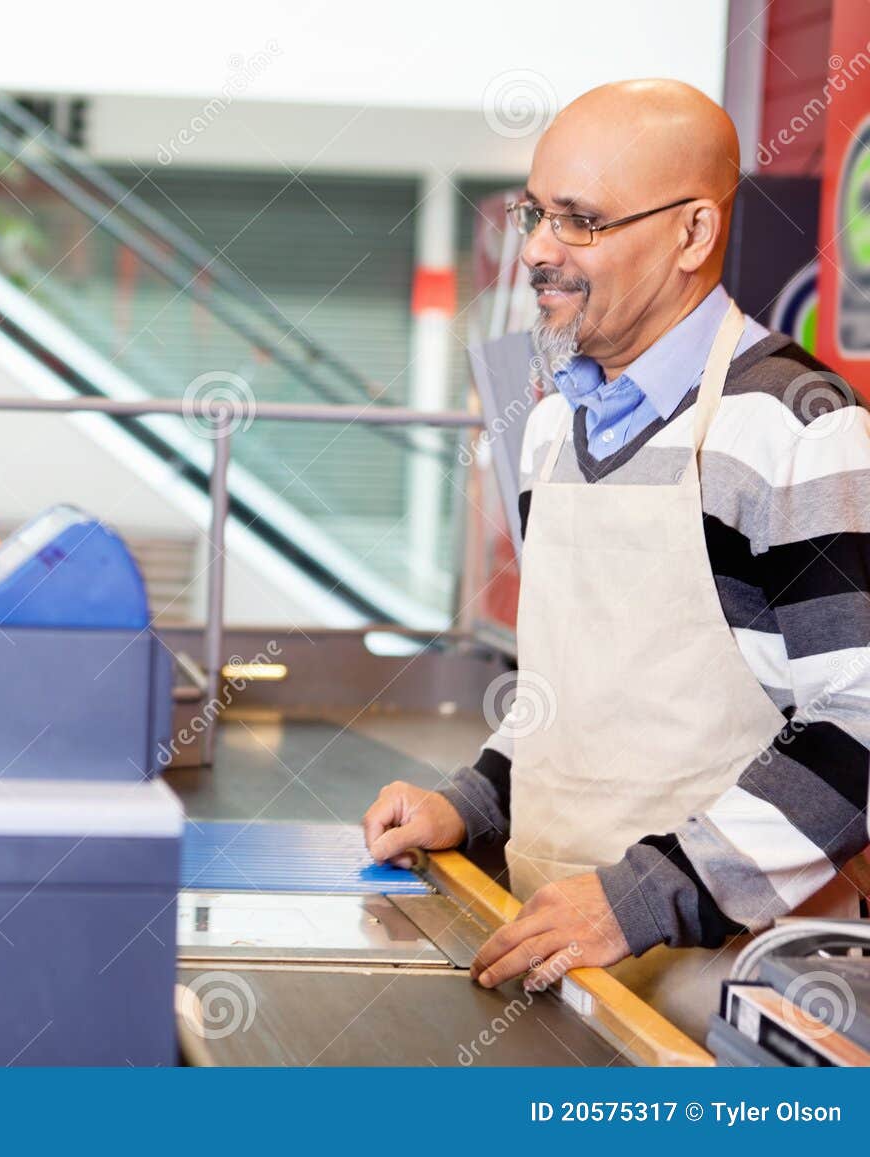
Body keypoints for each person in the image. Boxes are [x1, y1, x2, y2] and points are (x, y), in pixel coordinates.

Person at [363, 80, 869, 1039]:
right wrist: (470, 801)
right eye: (536, 214)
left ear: (692, 234)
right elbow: (576, 695)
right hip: (556, 960)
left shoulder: (797, 428)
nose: (538, 250)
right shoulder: (553, 426)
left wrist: (644, 896)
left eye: (581, 221)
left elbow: (857, 725)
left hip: (724, 998)